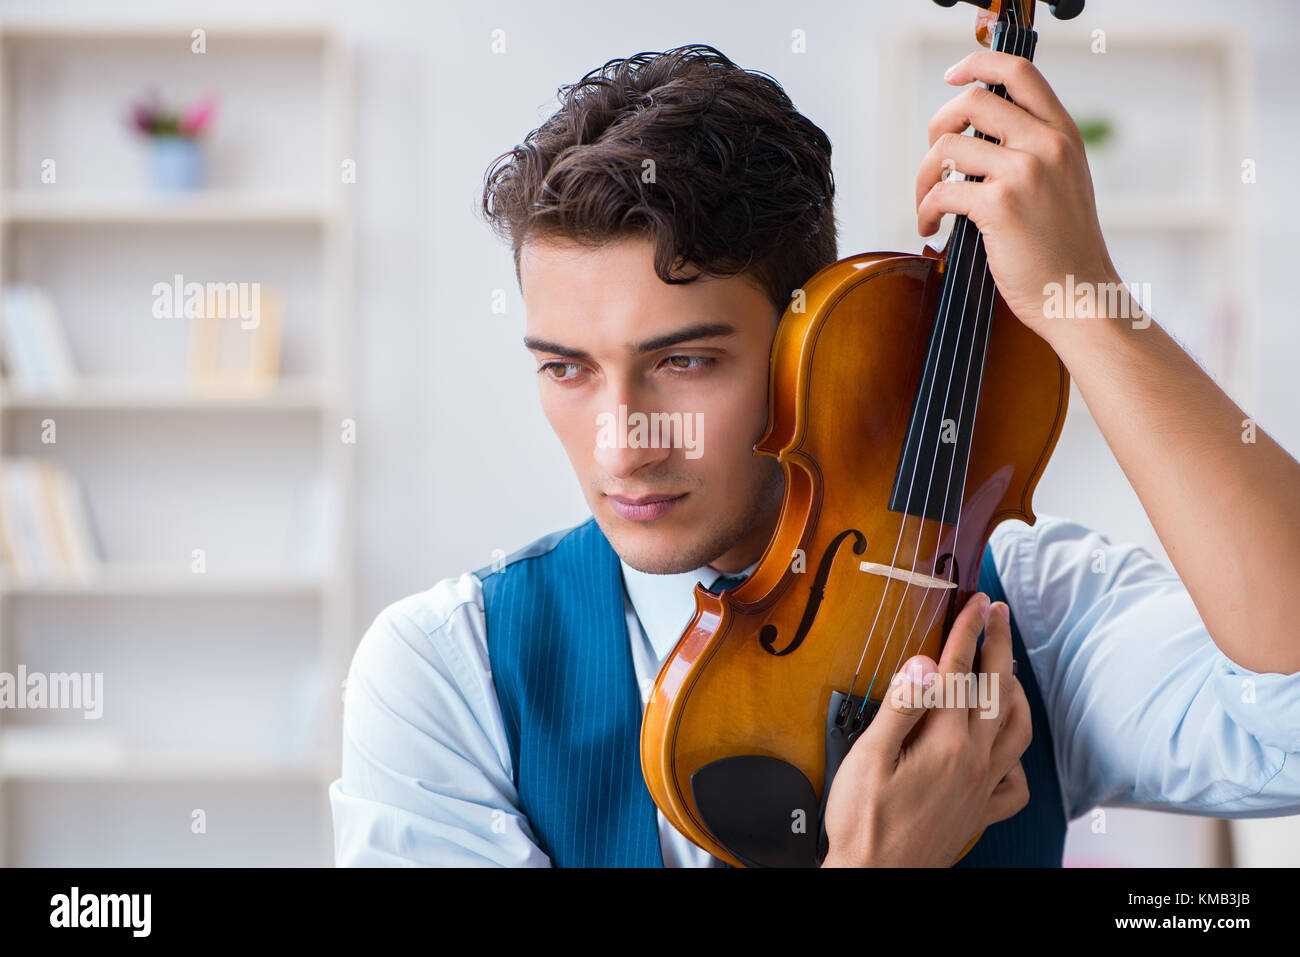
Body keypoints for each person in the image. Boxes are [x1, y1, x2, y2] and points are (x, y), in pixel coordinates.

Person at [328, 44, 1300, 867]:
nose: (621, 441)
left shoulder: (1022, 608)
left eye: (686, 362)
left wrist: (1080, 299)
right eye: (567, 370)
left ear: (808, 347)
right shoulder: (449, 671)